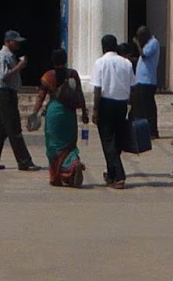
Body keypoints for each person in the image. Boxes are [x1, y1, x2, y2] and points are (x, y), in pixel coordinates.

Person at [0, 28, 38, 172]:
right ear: (8, 42)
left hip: (10, 94)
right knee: (14, 129)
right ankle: (24, 161)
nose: (18, 44)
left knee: (1, 130)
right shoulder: (2, 57)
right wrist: (19, 66)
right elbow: (3, 76)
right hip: (5, 94)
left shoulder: (10, 56)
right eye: (15, 42)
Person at [91, 32, 135, 189]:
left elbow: (97, 89)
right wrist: (132, 106)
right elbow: (133, 86)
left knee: (108, 141)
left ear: (103, 47)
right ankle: (111, 174)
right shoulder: (126, 63)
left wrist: (95, 109)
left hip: (106, 104)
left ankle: (119, 176)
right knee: (117, 141)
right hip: (121, 105)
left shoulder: (100, 63)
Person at [43, 65, 86, 187]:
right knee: (69, 145)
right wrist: (84, 112)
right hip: (70, 114)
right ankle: (74, 163)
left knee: (53, 146)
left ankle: (56, 176)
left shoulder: (49, 75)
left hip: (54, 113)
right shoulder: (73, 74)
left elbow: (41, 94)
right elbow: (80, 93)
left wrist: (35, 112)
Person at [132, 24, 160, 138]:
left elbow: (144, 55)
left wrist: (137, 44)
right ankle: (143, 130)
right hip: (141, 81)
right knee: (140, 107)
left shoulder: (153, 42)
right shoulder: (148, 44)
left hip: (147, 81)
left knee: (148, 108)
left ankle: (153, 131)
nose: (139, 39)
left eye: (140, 36)